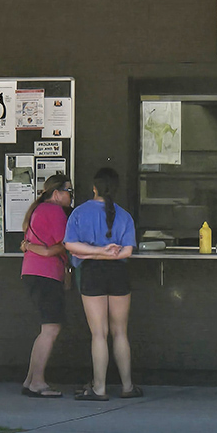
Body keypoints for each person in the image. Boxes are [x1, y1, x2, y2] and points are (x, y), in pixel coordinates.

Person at [64, 167, 142, 401]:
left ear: (94, 187)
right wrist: (109, 253)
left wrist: (95, 253)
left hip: (91, 273)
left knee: (99, 333)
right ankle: (127, 386)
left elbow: (70, 245)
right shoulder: (124, 215)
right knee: (120, 332)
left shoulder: (79, 213)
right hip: (119, 273)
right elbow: (127, 250)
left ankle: (99, 388)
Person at [20, 173, 73, 398]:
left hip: (33, 272)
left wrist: (34, 248)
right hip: (46, 273)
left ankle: (30, 379)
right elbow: (66, 241)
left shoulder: (38, 209)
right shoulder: (53, 211)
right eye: (69, 191)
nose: (71, 196)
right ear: (57, 193)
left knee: (47, 327)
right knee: (50, 328)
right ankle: (38, 382)